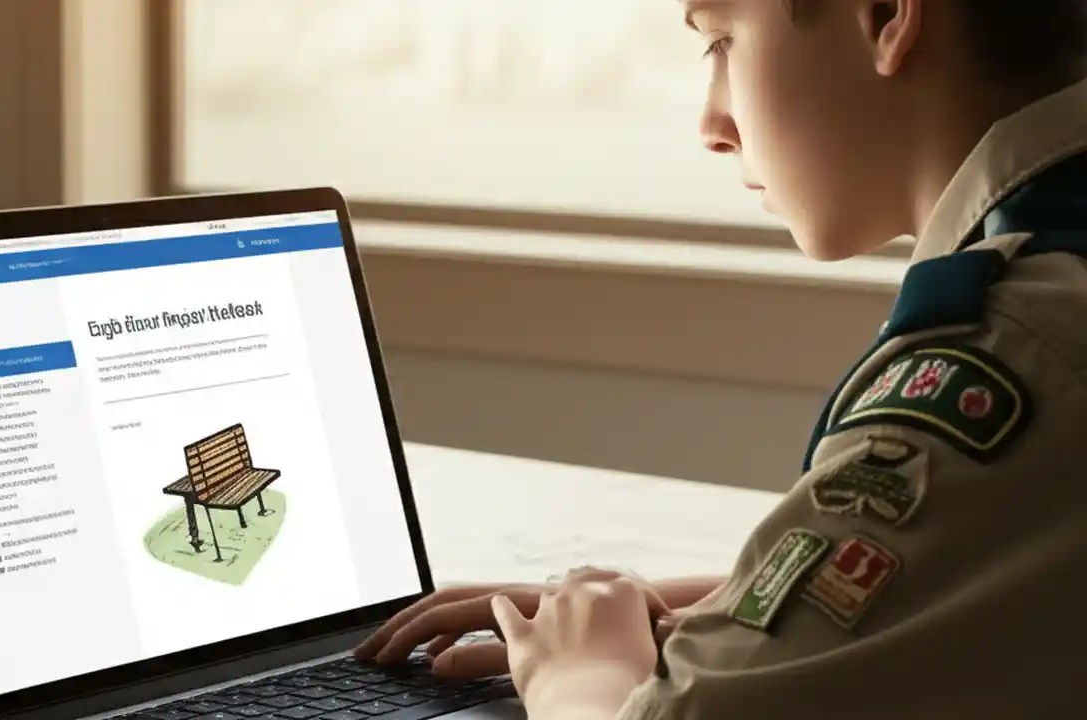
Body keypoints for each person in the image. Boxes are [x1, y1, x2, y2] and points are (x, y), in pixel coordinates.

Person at [355, 0, 1087, 717]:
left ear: (885, 14)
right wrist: (701, 612)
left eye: (721, 41)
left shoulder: (1009, 357)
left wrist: (581, 677)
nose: (711, 126)